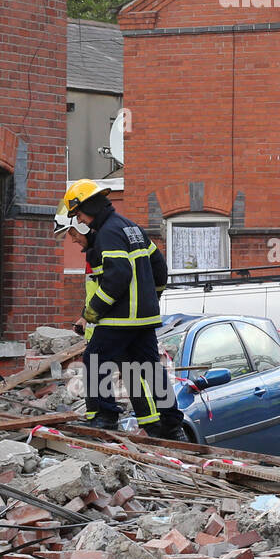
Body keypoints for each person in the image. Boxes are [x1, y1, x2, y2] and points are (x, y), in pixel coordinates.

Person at [60, 180, 188, 441]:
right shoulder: (132, 228)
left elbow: (118, 276)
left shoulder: (107, 233)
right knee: (151, 369)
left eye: (79, 214)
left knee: (95, 360)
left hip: (120, 318)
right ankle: (173, 425)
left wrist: (91, 312)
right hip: (145, 318)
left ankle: (106, 418)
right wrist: (152, 297)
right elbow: (159, 266)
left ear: (90, 206)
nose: (80, 220)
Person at [53, 201, 121, 428]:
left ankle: (107, 418)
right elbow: (95, 291)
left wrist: (92, 314)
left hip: (112, 320)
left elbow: (113, 284)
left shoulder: (105, 245)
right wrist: (85, 315)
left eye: (72, 232)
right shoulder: (93, 252)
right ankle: (98, 417)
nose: (72, 239)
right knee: (95, 364)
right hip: (101, 320)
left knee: (102, 365)